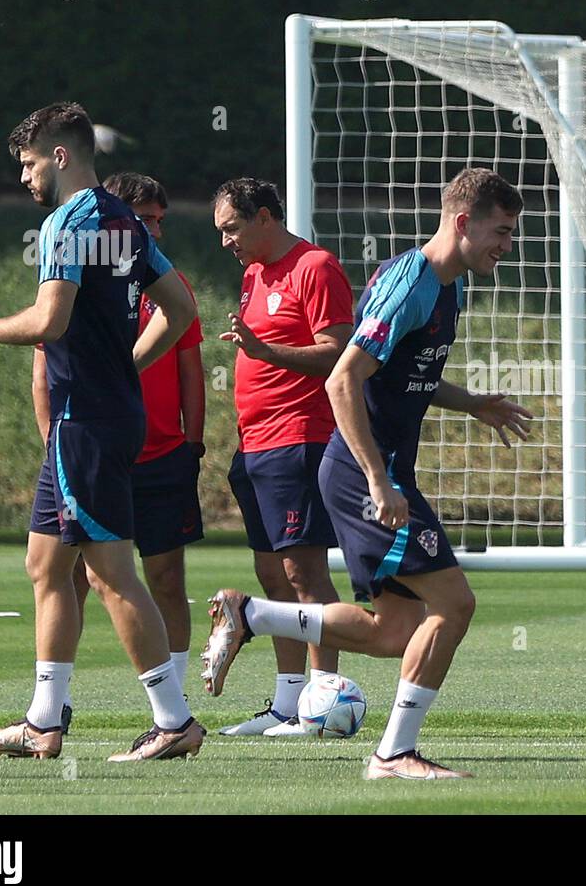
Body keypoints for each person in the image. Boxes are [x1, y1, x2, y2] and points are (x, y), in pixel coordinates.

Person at [203, 168, 533, 779]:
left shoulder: (447, 286)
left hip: (376, 472)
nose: (506, 246)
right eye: (502, 232)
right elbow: (342, 378)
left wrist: (474, 404)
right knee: (455, 604)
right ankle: (394, 753)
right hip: (365, 475)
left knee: (392, 632)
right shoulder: (411, 282)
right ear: (463, 222)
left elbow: (405, 377)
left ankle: (252, 615)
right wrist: (378, 481)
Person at [0, 102, 203, 761]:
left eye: (30, 163)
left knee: (111, 574)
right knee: (45, 564)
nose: (24, 177)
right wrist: (129, 365)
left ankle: (174, 720)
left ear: (60, 156)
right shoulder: (124, 219)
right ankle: (43, 721)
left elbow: (49, 321)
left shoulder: (68, 222)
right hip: (102, 414)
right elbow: (179, 308)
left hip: (84, 421)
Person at [212, 177, 355, 735]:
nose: (227, 241)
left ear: (265, 217)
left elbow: (339, 353)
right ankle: (287, 704)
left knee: (304, 573)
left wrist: (265, 351)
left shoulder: (314, 266)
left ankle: (323, 705)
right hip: (256, 443)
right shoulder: (253, 273)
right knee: (271, 571)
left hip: (299, 439)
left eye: (232, 228)